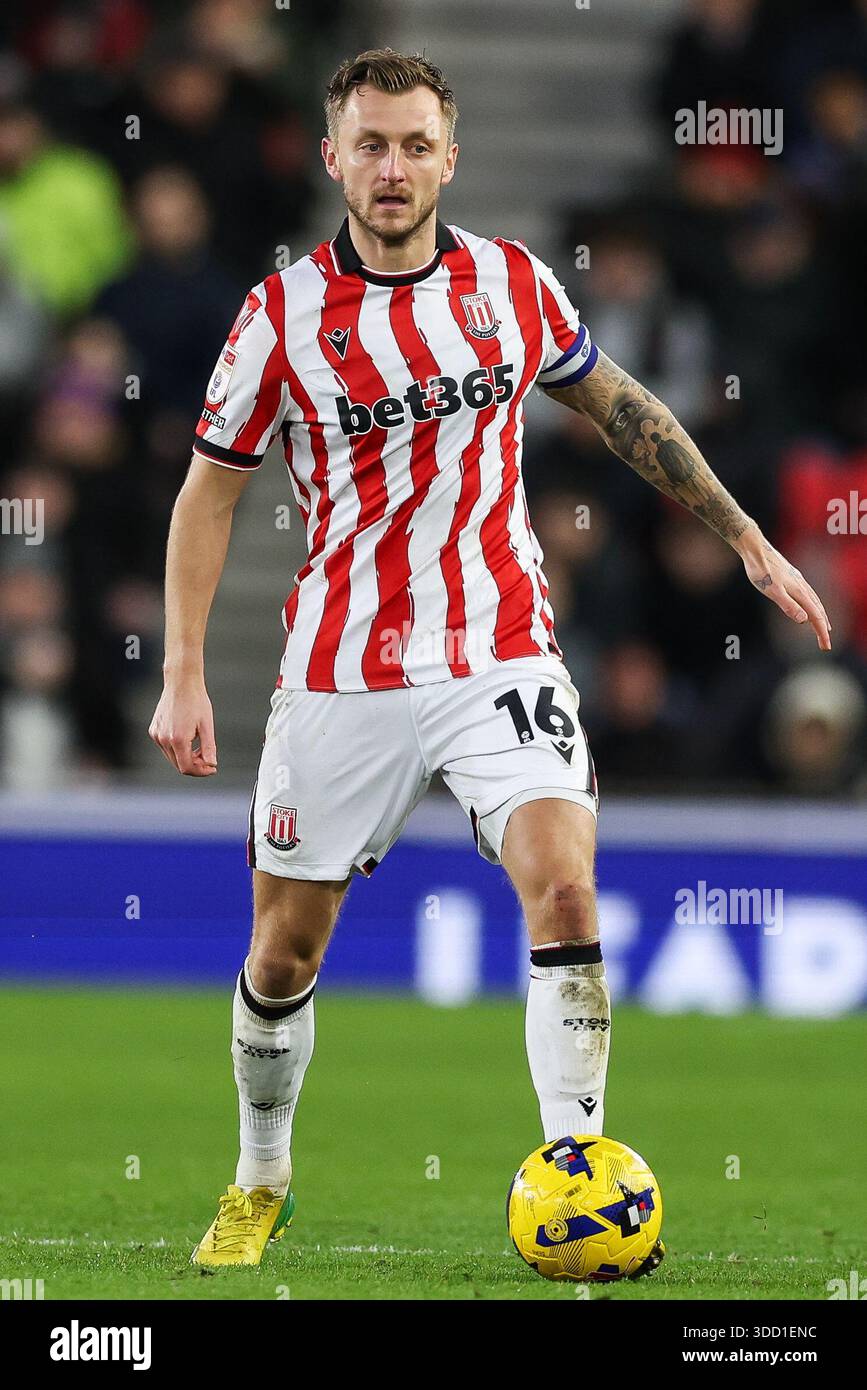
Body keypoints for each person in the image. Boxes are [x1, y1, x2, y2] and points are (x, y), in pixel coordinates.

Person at [148, 48, 832, 1269]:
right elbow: (210, 495)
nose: (395, 167)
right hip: (342, 669)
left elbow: (625, 410)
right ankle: (261, 1174)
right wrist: (185, 668)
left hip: (496, 649)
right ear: (333, 159)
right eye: (372, 144)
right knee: (281, 953)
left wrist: (746, 538)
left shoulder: (511, 285)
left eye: (417, 145)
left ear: (450, 158)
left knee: (564, 890)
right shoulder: (282, 317)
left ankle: (583, 1174)